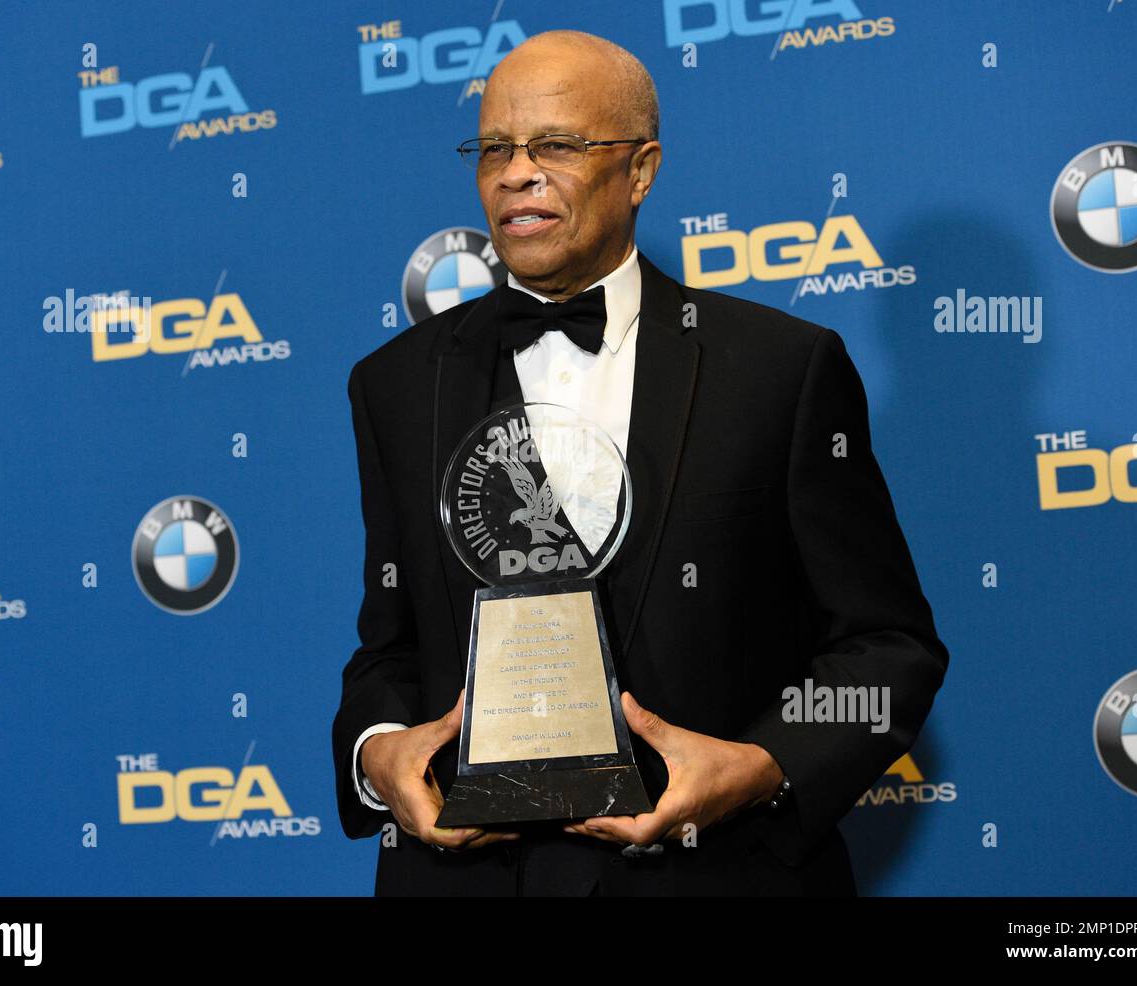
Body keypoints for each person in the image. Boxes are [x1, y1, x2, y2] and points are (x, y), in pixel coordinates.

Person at [332, 30, 948, 896]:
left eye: (555, 145)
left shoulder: (780, 369)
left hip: (724, 878)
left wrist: (763, 764)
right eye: (495, 148)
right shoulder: (394, 384)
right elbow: (389, 650)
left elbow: (889, 646)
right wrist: (378, 754)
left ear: (642, 169)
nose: (516, 172)